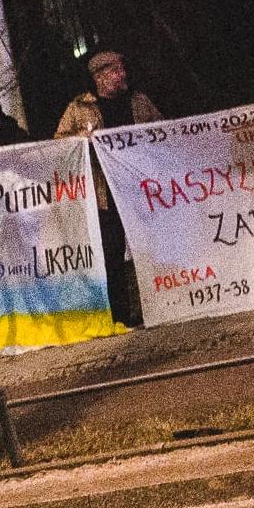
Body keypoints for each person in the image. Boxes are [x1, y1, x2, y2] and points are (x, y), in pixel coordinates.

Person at [54, 50, 161, 326]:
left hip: (140, 189)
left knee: (148, 249)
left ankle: (156, 305)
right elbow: (60, 143)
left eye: (122, 69)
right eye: (115, 71)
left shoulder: (139, 102)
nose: (122, 75)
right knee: (112, 254)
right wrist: (84, 139)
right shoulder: (79, 108)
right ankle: (121, 315)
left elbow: (162, 131)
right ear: (99, 77)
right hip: (106, 194)